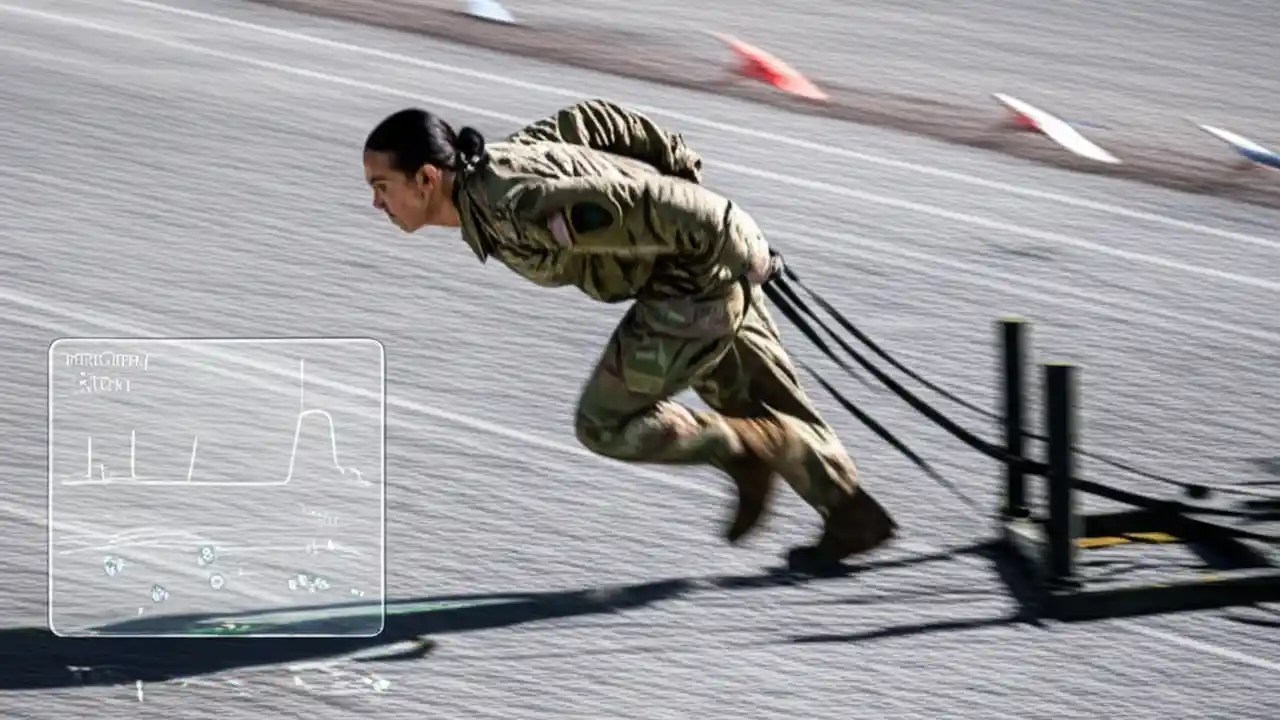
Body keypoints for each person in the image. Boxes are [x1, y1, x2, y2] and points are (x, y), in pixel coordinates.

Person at [361, 98, 897, 572]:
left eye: (382, 188)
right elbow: (595, 120)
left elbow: (637, 205)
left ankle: (747, 450)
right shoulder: (501, 161)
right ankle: (850, 514)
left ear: (426, 178)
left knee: (603, 424)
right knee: (757, 398)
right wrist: (679, 165)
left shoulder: (513, 208)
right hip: (700, 263)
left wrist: (739, 239)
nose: (377, 205)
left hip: (693, 283)